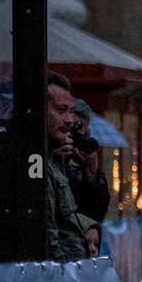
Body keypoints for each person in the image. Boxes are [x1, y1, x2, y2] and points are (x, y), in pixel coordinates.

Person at [42, 72, 100, 262]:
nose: (69, 120)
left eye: (70, 111)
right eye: (61, 110)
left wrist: (90, 170)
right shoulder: (41, 164)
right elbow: (49, 233)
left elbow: (91, 208)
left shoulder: (56, 162)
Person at [66, 99, 111, 226]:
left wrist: (91, 174)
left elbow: (97, 213)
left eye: (81, 131)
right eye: (71, 131)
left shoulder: (83, 165)